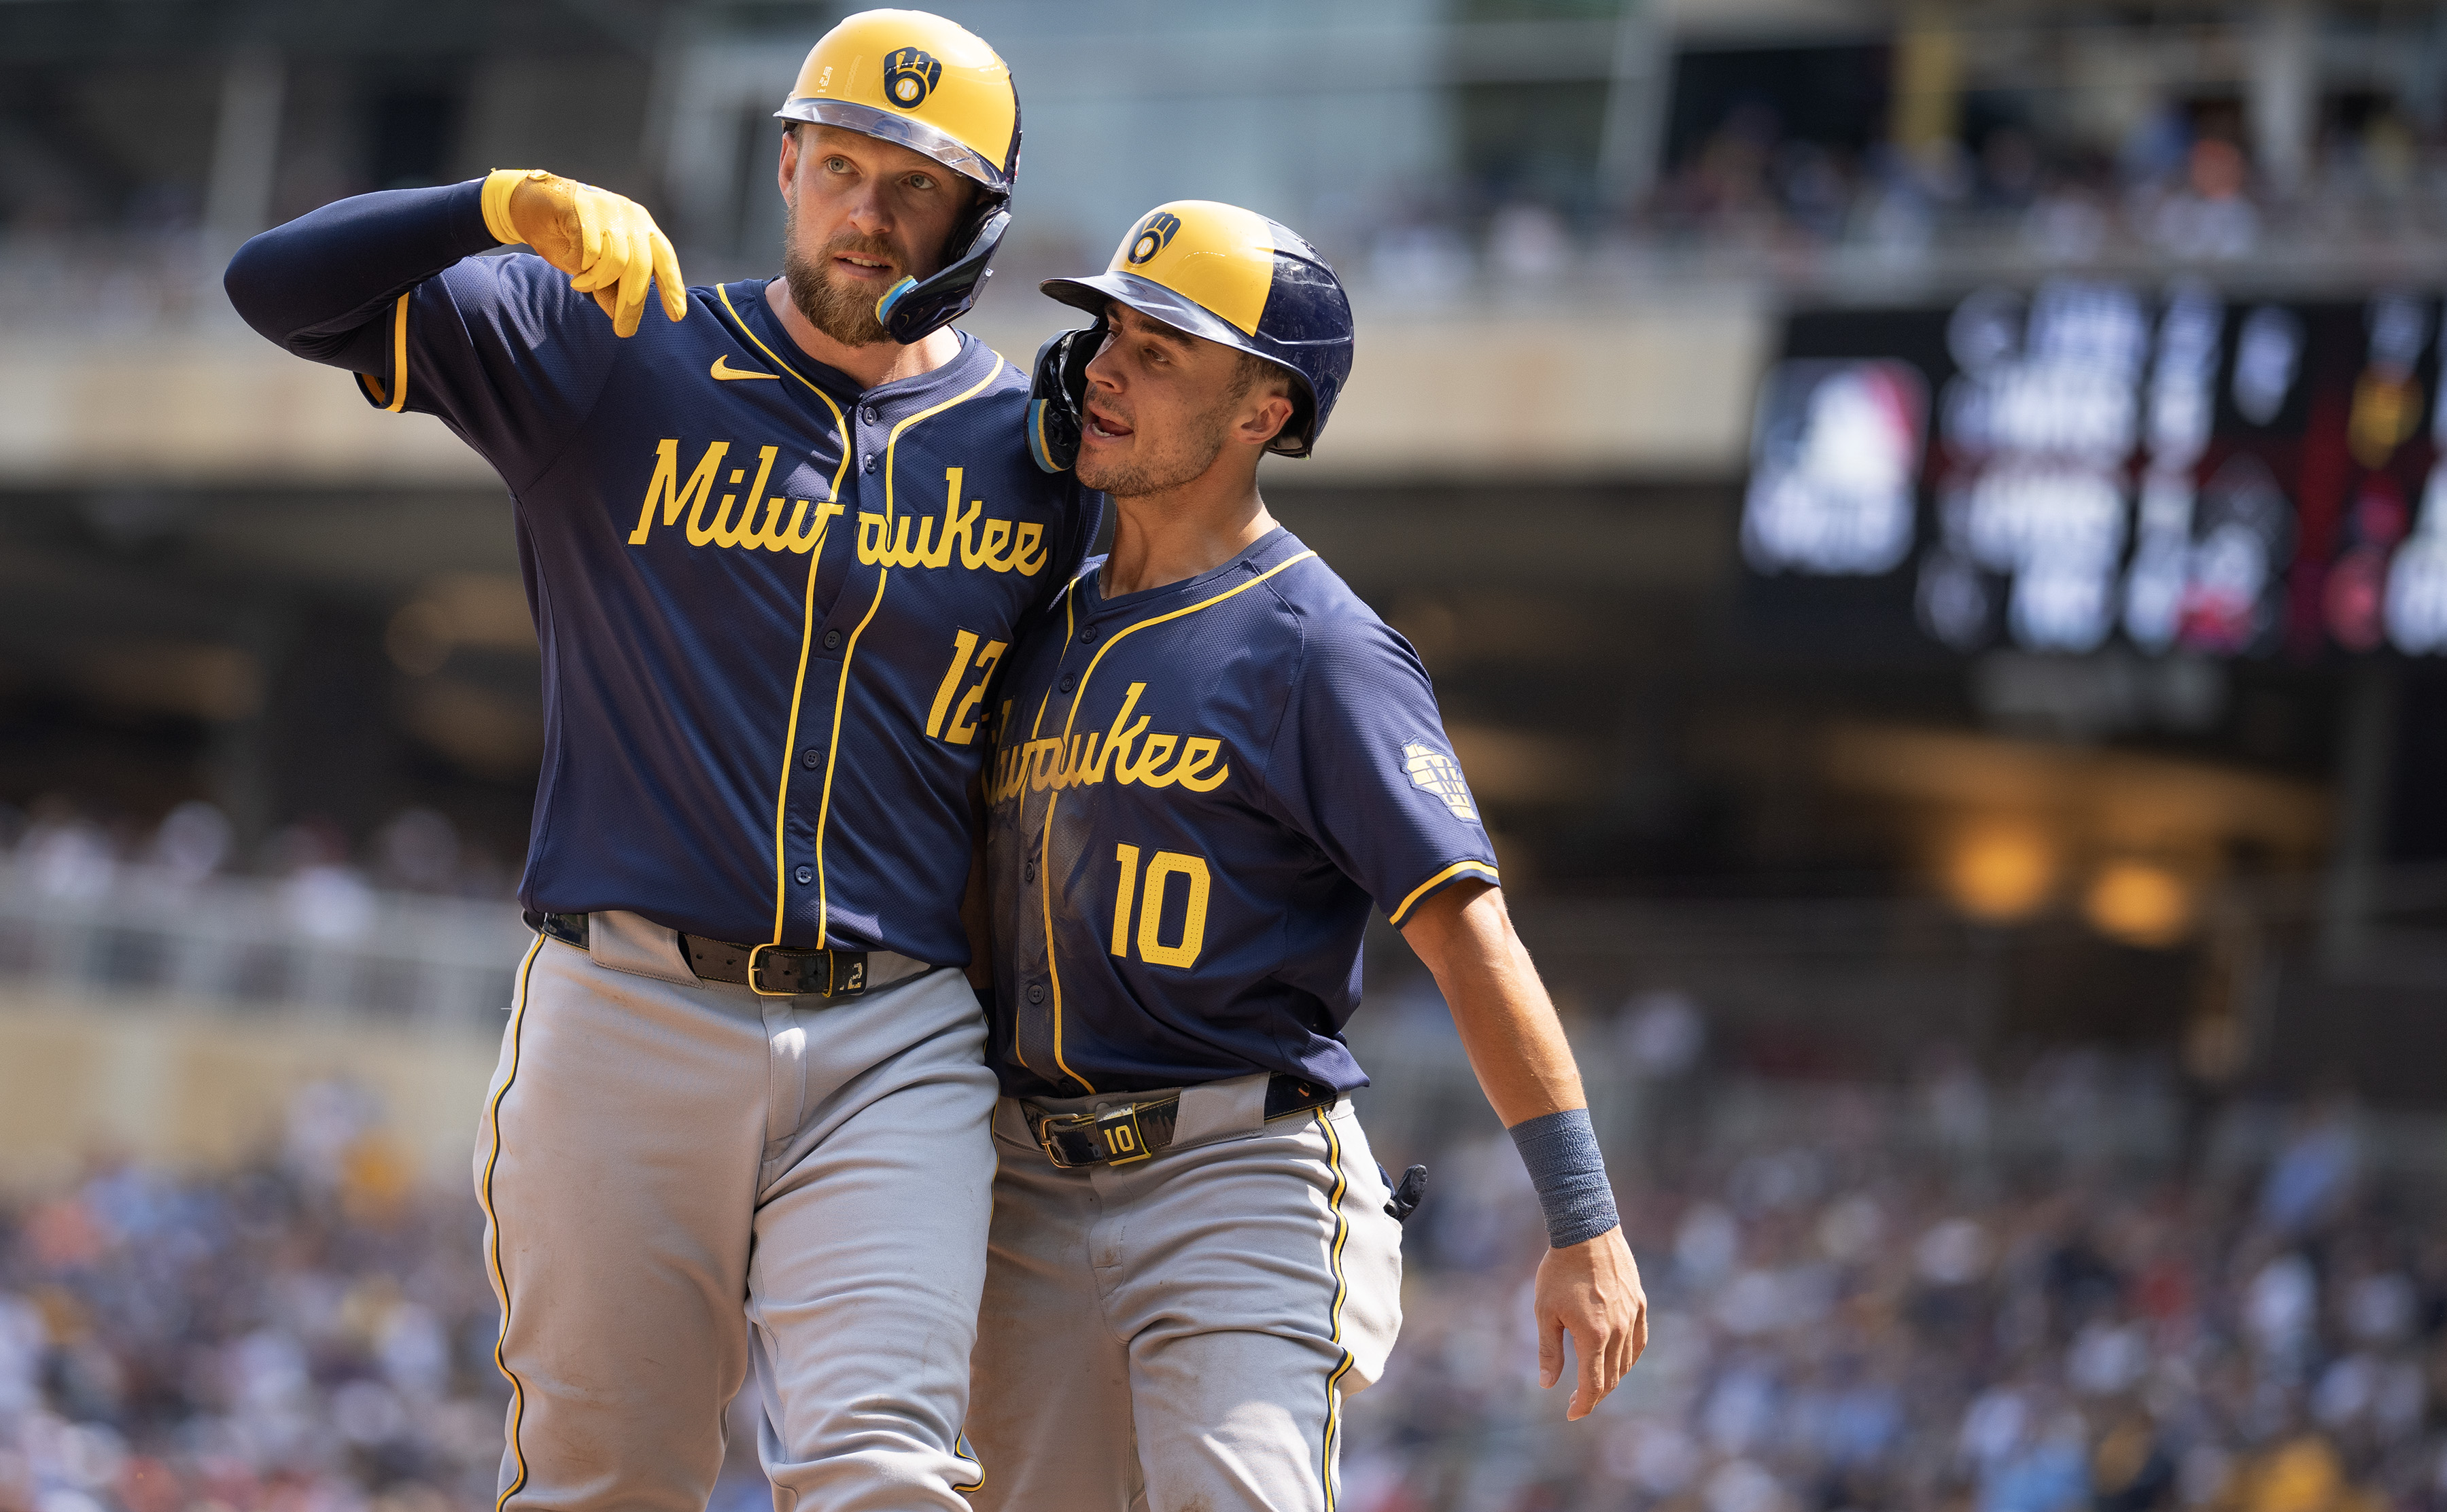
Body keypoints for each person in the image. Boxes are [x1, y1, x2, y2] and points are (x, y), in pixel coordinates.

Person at [223, 12, 1098, 1510]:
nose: (867, 212)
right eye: (841, 167)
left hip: (897, 1035)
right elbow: (276, 289)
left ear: (980, 219)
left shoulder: (1034, 449)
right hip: (629, 1004)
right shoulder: (616, 343)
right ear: (786, 165)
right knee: (606, 1481)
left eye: (916, 185)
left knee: (886, 1473)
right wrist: (494, 204)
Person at [969, 200, 1649, 1511]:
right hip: (1027, 1183)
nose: (1105, 367)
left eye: (1159, 351)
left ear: (1262, 411)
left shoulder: (1317, 645)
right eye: (1108, 334)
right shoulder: (1035, 623)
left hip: (1231, 1172)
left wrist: (1585, 1219)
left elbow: (1470, 938)